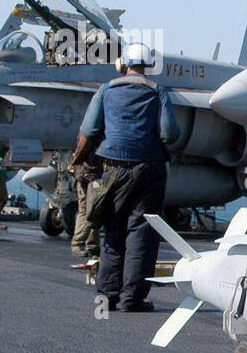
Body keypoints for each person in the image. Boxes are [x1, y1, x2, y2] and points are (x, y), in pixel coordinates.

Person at [72, 43, 181, 312]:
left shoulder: (106, 89)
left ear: (122, 64)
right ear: (149, 65)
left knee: (113, 229)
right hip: (148, 169)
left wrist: (77, 160)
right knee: (141, 232)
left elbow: (89, 129)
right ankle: (132, 298)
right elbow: (170, 134)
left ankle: (107, 296)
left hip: (112, 169)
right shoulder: (158, 91)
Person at [68, 153, 103, 258]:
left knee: (95, 210)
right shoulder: (92, 137)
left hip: (89, 175)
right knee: (88, 211)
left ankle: (92, 244)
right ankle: (78, 243)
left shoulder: (91, 138)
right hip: (89, 176)